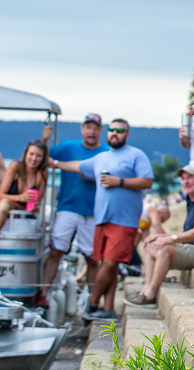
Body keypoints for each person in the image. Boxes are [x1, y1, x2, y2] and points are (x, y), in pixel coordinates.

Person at [51, 119, 153, 322]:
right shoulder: (101, 158)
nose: (115, 133)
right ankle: (108, 308)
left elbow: (147, 181)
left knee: (109, 264)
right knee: (109, 266)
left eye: (120, 130)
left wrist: (119, 181)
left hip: (124, 221)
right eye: (112, 129)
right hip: (102, 220)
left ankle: (93, 302)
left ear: (127, 135)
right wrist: (53, 163)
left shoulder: (136, 155)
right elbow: (78, 166)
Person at [126, 164, 194, 304]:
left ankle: (151, 293)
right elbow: (189, 233)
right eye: (183, 179)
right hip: (193, 248)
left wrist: (170, 238)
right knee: (150, 244)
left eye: (190, 178)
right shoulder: (192, 199)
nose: (186, 182)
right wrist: (159, 237)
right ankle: (145, 290)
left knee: (166, 249)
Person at [40, 114, 108, 301]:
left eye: (95, 128)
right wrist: (45, 139)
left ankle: (93, 302)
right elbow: (43, 158)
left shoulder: (107, 152)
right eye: (88, 127)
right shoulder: (69, 147)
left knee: (92, 259)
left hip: (93, 211)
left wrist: (96, 177)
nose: (91, 132)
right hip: (67, 207)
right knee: (56, 251)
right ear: (82, 129)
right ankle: (43, 295)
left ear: (100, 131)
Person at [0, 140, 49, 233]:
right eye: (31, 154)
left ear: (43, 158)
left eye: (38, 156)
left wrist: (35, 206)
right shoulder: (15, 167)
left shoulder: (42, 173)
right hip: (8, 212)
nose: (34, 158)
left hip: (26, 217)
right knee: (4, 205)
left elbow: (37, 202)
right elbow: (1, 195)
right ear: (25, 154)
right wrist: (20, 198)